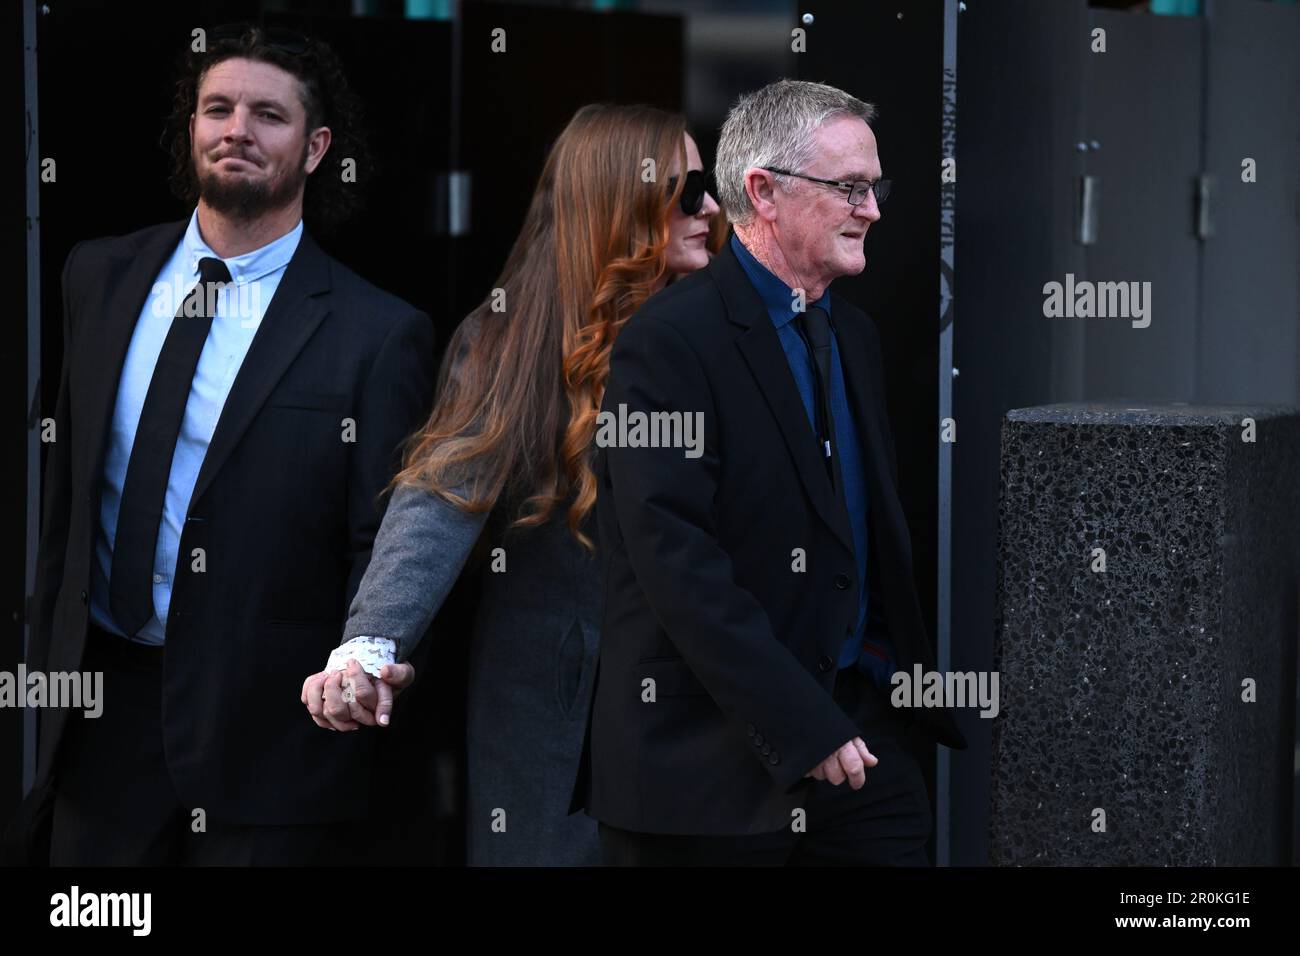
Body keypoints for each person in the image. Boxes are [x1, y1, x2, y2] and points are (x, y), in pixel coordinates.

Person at [25, 24, 436, 865]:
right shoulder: (96, 276)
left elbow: (380, 537)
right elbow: (63, 485)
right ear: (192, 128)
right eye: (217, 108)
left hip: (271, 732)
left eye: (267, 115)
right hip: (101, 714)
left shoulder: (377, 333)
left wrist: (371, 657)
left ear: (317, 148)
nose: (236, 129)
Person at [300, 103, 721, 866]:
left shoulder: (730, 328)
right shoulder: (513, 341)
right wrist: (368, 643)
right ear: (619, 198)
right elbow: (439, 495)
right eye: (688, 191)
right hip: (562, 708)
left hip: (716, 709)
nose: (712, 208)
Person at [571, 79, 968, 865]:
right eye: (850, 188)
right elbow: (675, 561)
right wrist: (799, 722)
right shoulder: (668, 343)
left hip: (860, 745)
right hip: (707, 771)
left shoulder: (853, 334)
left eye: (875, 188)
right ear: (763, 192)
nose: (874, 210)